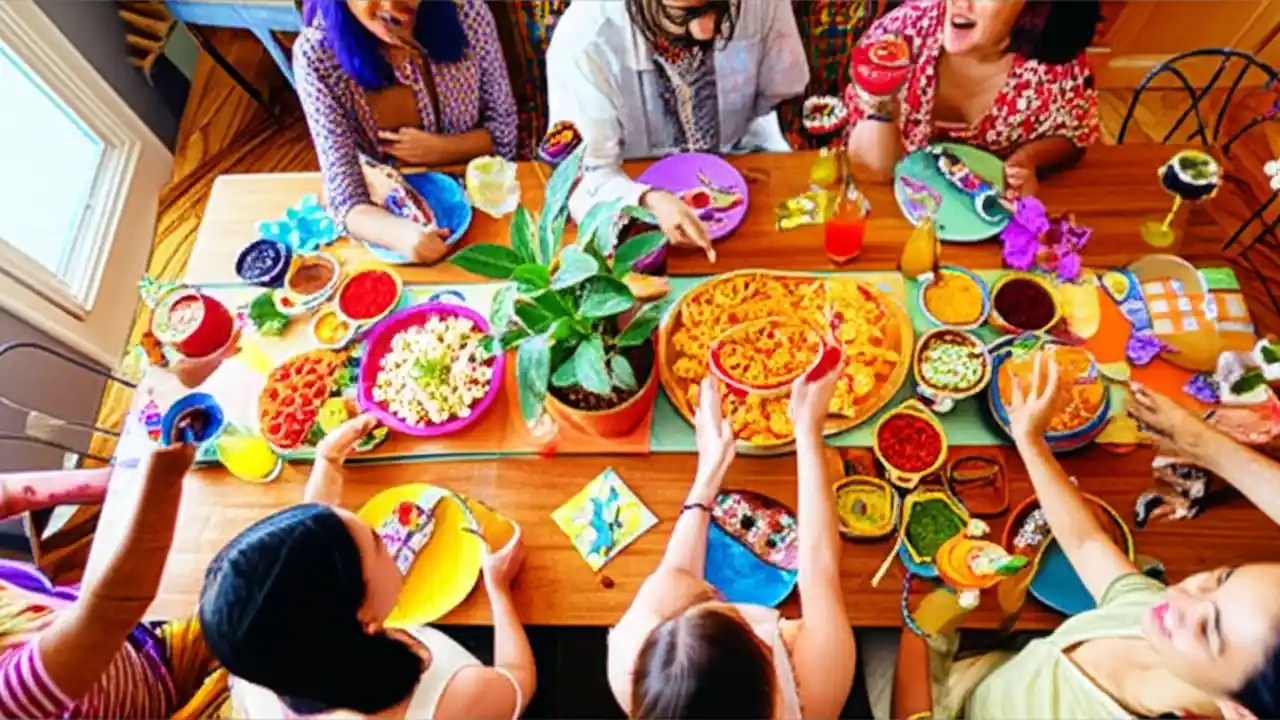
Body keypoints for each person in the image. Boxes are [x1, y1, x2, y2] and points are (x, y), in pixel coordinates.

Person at [928, 353, 1280, 719]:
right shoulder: (1152, 618)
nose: (1184, 593)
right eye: (1222, 578)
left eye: (1207, 630)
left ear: (1239, 713)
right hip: (977, 678)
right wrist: (1030, 440)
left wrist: (920, 634)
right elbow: (1087, 543)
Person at [198, 414, 535, 719]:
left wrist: (327, 462)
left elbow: (301, 581)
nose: (387, 538)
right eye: (377, 543)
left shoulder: (264, 658)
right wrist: (499, 590)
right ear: (364, 618)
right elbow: (518, 683)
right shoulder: (451, 698)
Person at [607, 369, 856, 719]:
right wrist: (807, 431)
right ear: (770, 681)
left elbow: (676, 572)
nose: (714, 588)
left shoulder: (628, 664)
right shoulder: (813, 695)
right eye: (717, 600)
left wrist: (709, 472)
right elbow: (819, 569)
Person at [546, 0, 809, 258]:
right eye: (685, 14)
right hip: (637, 224)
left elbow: (786, 99)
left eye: (719, 6)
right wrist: (645, 200)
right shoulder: (586, 35)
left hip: (748, 192)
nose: (706, 31)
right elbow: (584, 176)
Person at [0, 442, 230, 719]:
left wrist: (128, 477)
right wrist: (163, 478)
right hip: (156, 708)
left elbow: (7, 492)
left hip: (150, 655)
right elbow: (112, 610)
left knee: (250, 594)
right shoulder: (6, 697)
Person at [294, 0, 518, 264]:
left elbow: (504, 134)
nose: (392, 5)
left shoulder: (467, 13)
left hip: (484, 208)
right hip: (389, 225)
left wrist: (441, 149)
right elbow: (344, 200)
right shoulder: (317, 54)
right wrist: (400, 235)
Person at [845, 0, 1102, 198]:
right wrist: (881, 102)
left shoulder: (1056, 67)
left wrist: (1029, 158)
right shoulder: (898, 38)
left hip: (985, 222)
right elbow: (870, 172)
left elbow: (1074, 137)